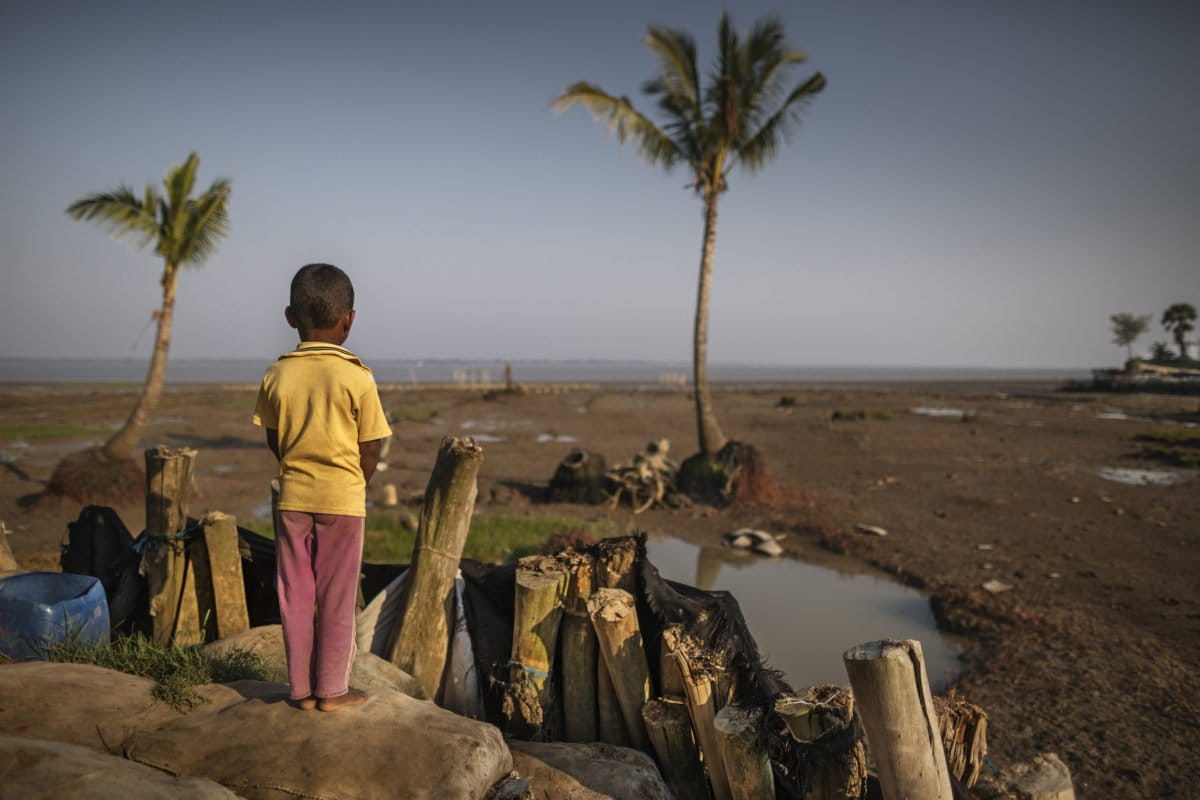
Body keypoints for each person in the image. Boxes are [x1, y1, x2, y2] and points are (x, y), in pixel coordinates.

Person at [252, 263, 392, 711]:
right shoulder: (358, 376)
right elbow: (371, 444)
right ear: (349, 319)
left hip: (292, 497)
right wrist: (354, 482)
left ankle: (300, 690)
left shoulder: (277, 375)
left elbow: (275, 437)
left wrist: (297, 467)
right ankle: (332, 690)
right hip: (343, 501)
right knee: (336, 593)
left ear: (290, 317)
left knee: (294, 593)